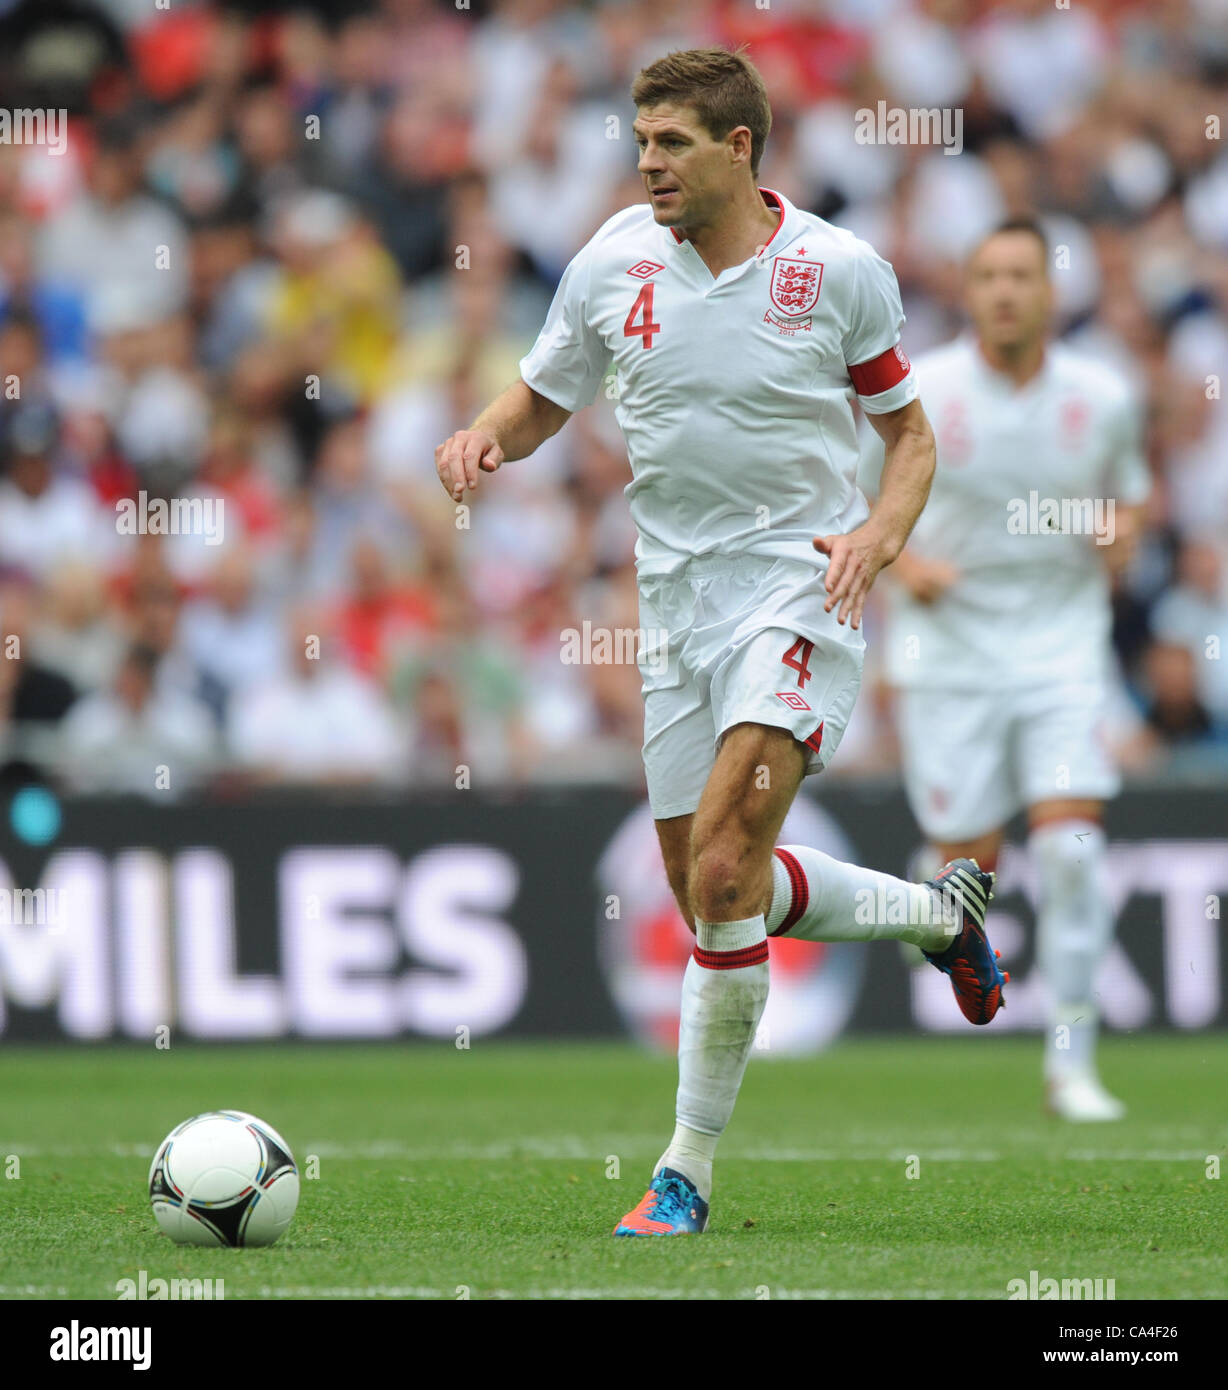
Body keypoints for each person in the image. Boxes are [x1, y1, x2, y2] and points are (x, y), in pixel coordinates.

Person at [434, 47, 1007, 1236]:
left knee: (731, 857)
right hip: (674, 605)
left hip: (798, 586)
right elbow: (545, 394)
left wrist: (878, 538)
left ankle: (683, 1172)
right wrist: (485, 432)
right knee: (715, 897)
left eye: (672, 142)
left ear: (738, 149)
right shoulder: (611, 260)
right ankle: (939, 918)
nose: (647, 162)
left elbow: (909, 438)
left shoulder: (838, 271)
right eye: (641, 141)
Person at [860, 218, 1150, 1122]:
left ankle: (1072, 1063)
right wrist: (908, 568)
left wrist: (1118, 539)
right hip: (947, 658)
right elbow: (863, 506)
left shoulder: (1102, 396)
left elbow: (1130, 507)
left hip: (1061, 652)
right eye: (988, 275)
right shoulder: (925, 392)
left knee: (1070, 851)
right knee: (960, 886)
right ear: (969, 288)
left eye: (1022, 275)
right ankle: (942, 902)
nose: (1006, 291)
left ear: (1050, 290)